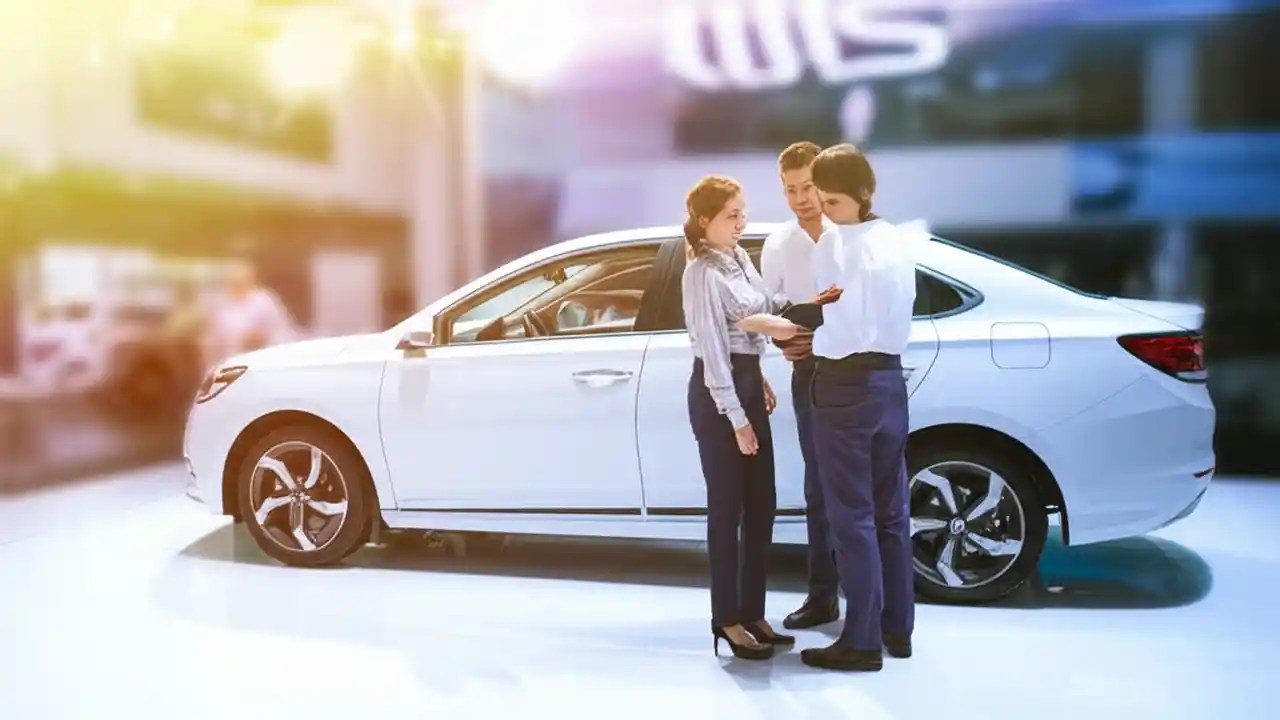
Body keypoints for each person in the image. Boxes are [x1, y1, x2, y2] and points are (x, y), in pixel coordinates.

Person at [739, 144, 916, 672]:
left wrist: (797, 335)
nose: (821, 208)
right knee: (890, 513)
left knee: (852, 515)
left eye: (828, 198)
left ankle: (859, 642)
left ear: (855, 194)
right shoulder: (894, 238)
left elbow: (841, 329)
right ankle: (895, 628)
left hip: (844, 385)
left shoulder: (837, 245)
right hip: (889, 382)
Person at [682, 175, 789, 661]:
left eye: (743, 213)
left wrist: (761, 372)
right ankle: (726, 618)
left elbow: (761, 311)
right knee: (727, 511)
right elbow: (714, 352)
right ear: (705, 221)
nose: (741, 222)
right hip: (717, 395)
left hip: (746, 381)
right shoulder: (701, 271)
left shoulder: (741, 258)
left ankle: (753, 610)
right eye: (731, 215)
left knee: (761, 504)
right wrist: (737, 419)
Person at [760, 141, 842, 631]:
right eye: (790, 190)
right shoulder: (779, 243)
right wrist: (783, 342)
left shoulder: (850, 233)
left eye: (807, 187)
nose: (800, 199)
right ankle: (822, 594)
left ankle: (873, 594)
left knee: (860, 487)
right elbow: (770, 308)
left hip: (854, 368)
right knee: (818, 487)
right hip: (807, 371)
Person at [205, 260, 297, 368]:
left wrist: (262, 338)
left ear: (251, 280)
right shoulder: (220, 305)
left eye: (243, 280)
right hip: (231, 366)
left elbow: (284, 331)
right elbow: (212, 341)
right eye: (234, 281)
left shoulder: (265, 300)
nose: (239, 285)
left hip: (263, 363)